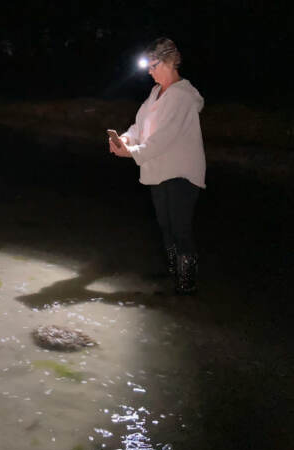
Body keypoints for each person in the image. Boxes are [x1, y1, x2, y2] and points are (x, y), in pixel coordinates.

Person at [109, 38, 206, 295]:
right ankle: (173, 275)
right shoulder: (155, 93)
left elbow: (163, 139)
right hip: (158, 170)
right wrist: (126, 139)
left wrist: (131, 152)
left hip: (182, 172)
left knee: (180, 227)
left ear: (168, 62)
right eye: (148, 67)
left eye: (152, 65)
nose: (149, 72)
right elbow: (140, 126)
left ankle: (187, 287)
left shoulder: (183, 97)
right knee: (165, 225)